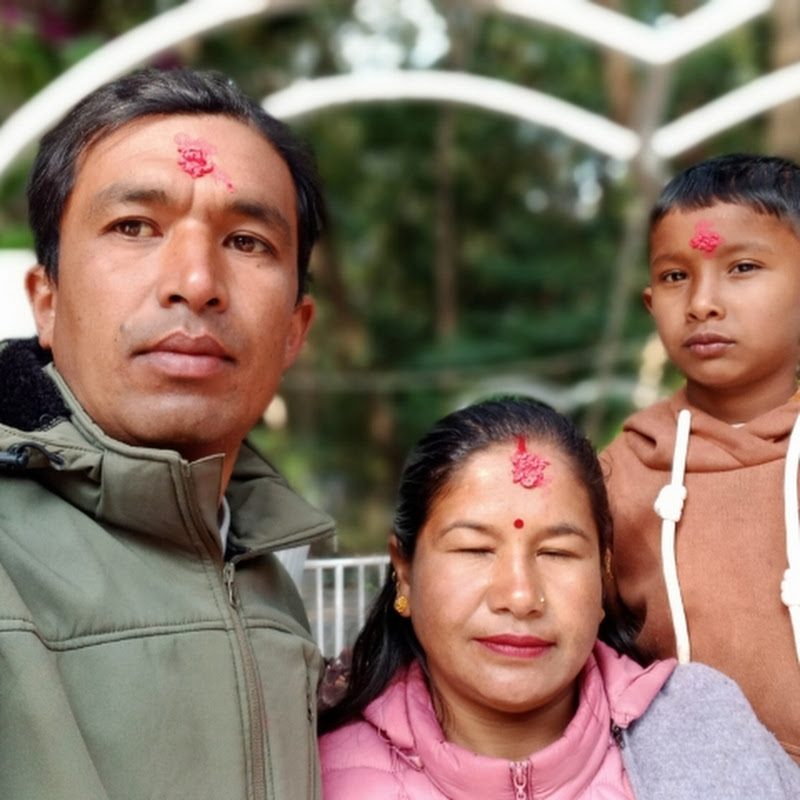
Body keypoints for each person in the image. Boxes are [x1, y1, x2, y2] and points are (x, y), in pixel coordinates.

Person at [0, 67, 335, 799]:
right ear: (45, 301)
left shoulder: (268, 577)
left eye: (246, 240)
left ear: (294, 331)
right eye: (134, 226)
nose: (195, 281)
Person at [318, 397, 800, 798]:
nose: (520, 596)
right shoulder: (314, 773)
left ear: (603, 573)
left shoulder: (702, 730)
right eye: (475, 549)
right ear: (404, 572)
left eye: (556, 553)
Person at [600, 153, 800, 764]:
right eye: (674, 276)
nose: (702, 303)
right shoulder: (620, 475)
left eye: (742, 267)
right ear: (649, 303)